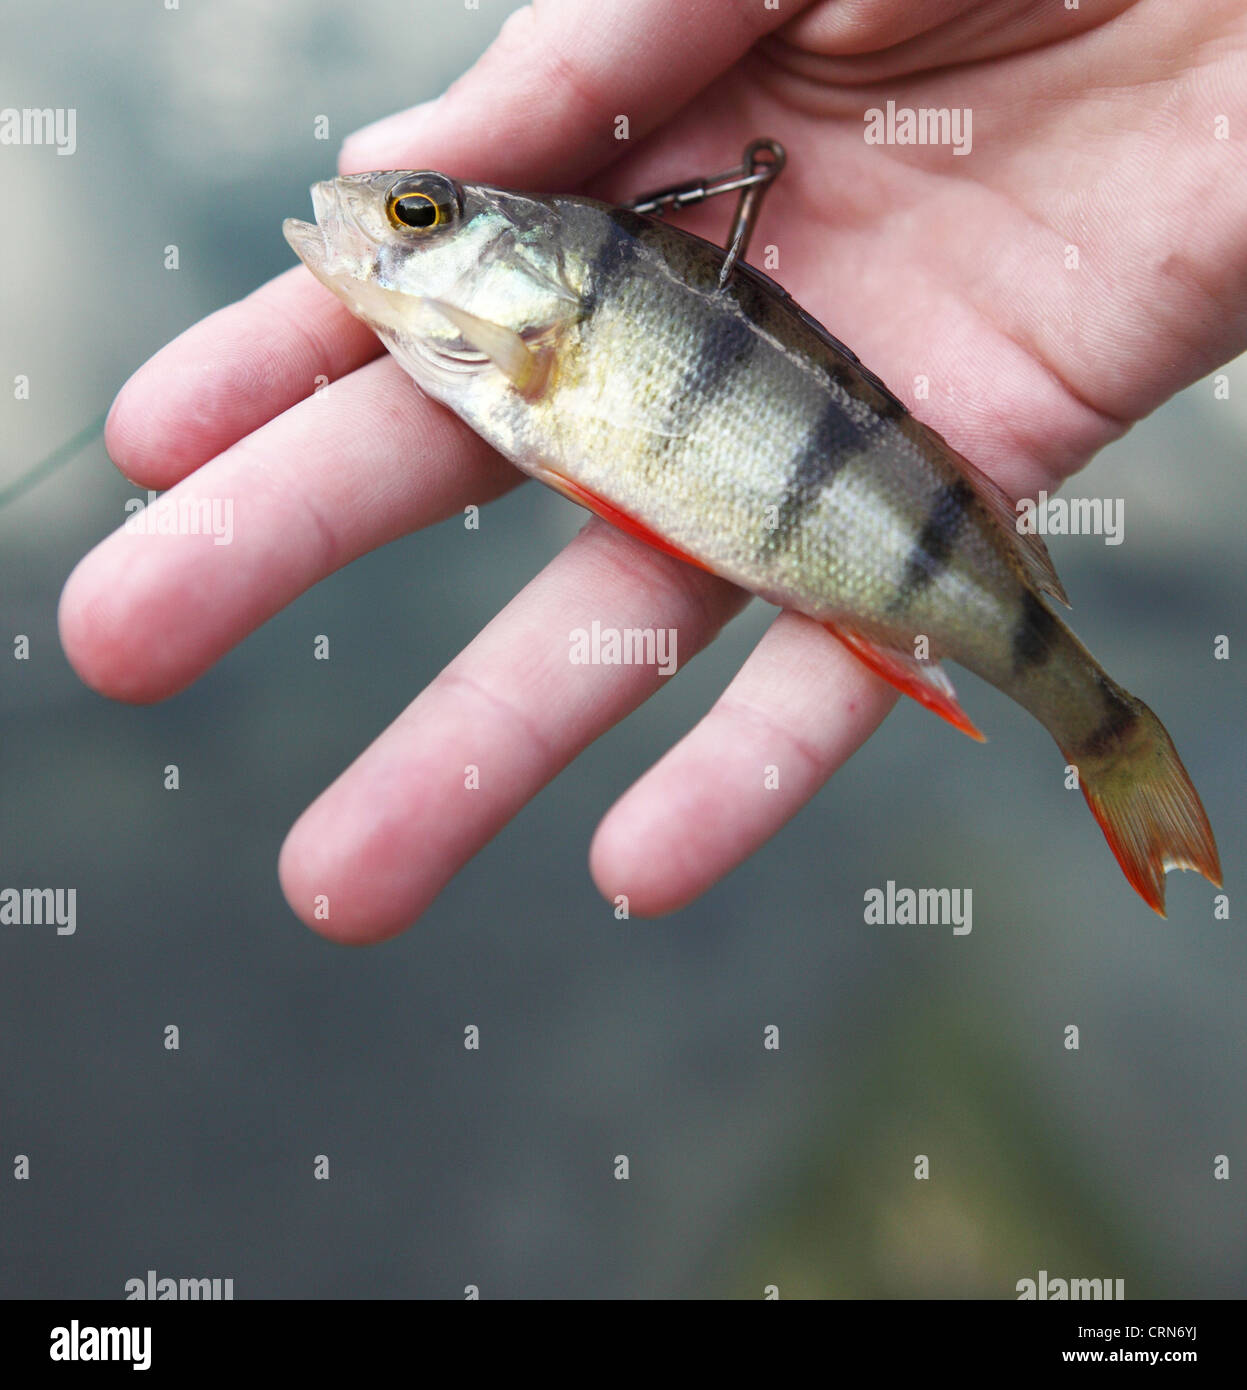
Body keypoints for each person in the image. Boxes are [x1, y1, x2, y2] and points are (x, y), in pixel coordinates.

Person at [58, 0, 1247, 942]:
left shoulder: (529, 350)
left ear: (519, 264)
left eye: (418, 215)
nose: (371, 219)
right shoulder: (515, 347)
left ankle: (1105, 734)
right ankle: (1099, 727)